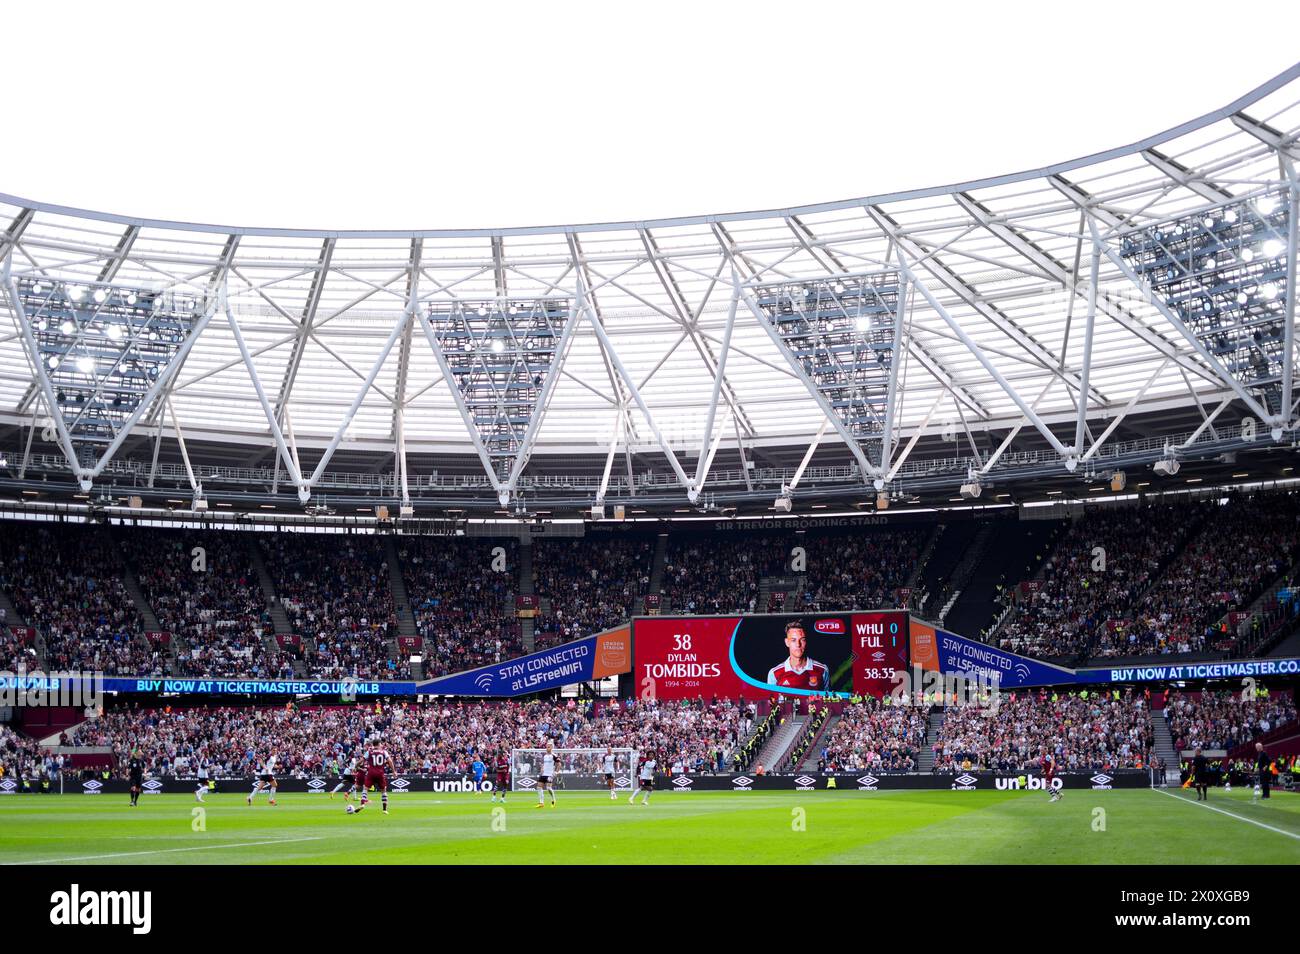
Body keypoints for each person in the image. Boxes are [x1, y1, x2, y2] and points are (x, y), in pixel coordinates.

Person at [766, 620, 830, 690]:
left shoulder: (822, 670)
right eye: (793, 640)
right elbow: (771, 699)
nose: (798, 644)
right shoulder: (774, 673)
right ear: (787, 642)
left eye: (802, 640)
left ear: (806, 641)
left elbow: (828, 699)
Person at [353, 738, 391, 815]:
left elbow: (360, 761)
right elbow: (390, 761)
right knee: (383, 791)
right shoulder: (384, 752)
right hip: (380, 773)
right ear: (379, 744)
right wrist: (394, 771)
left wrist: (356, 766)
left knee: (365, 789)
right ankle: (384, 810)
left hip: (371, 773)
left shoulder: (369, 752)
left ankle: (362, 804)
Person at [535, 742, 558, 809]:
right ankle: (541, 803)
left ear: (551, 748)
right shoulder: (545, 756)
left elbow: (559, 764)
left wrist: (556, 772)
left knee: (548, 788)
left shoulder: (554, 755)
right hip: (544, 774)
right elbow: (543, 764)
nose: (547, 748)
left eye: (548, 747)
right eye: (546, 747)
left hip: (550, 774)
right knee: (539, 787)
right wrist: (542, 769)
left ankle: (553, 800)